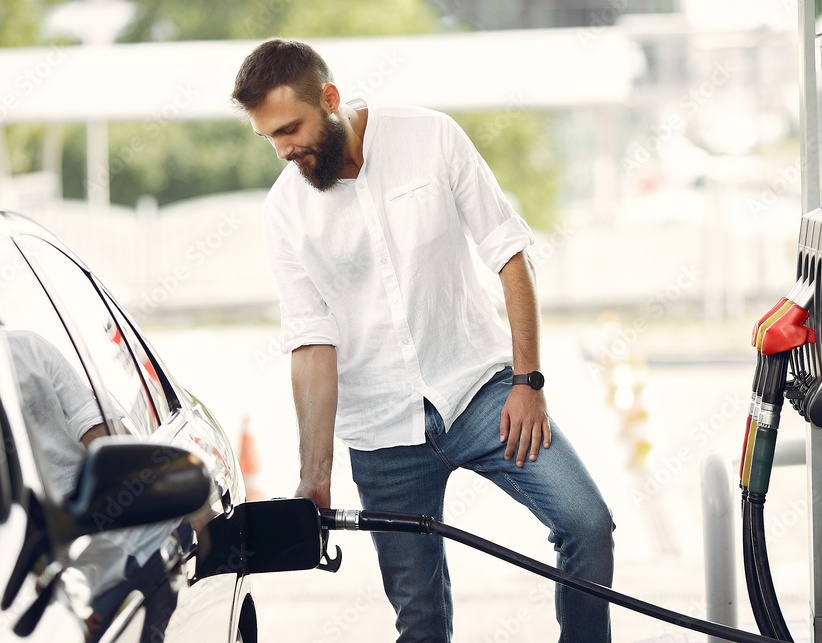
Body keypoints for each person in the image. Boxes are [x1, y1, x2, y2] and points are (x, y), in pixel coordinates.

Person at [231, 38, 614, 642]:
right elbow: (311, 343)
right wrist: (314, 475)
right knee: (421, 623)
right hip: (381, 433)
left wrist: (528, 381)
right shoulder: (284, 211)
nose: (282, 150)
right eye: (268, 138)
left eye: (289, 128)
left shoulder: (431, 136)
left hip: (481, 394)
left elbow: (510, 254)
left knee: (587, 524)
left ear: (329, 98)